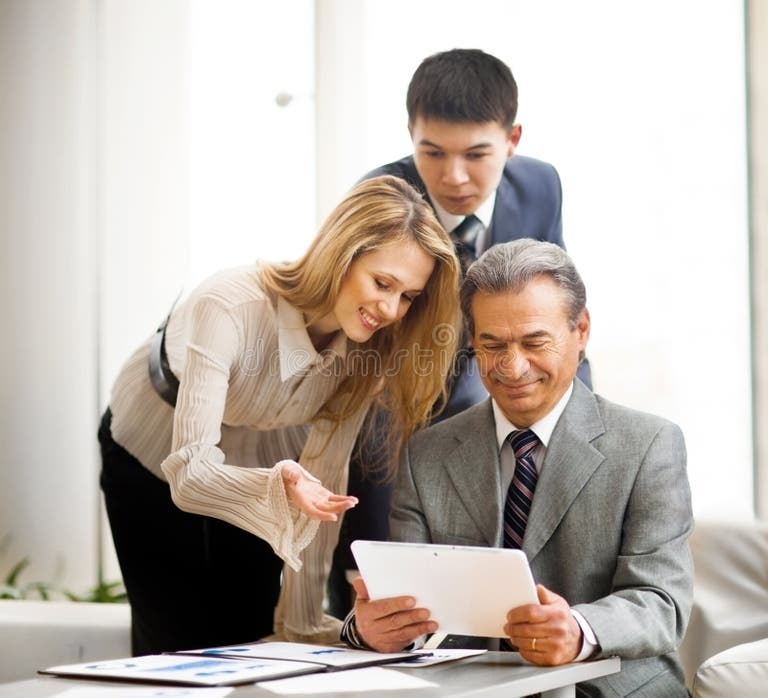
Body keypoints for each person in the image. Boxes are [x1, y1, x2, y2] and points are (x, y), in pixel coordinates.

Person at [98, 174, 462, 656]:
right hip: (153, 452)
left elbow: (324, 490)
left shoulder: (368, 349)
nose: (391, 309)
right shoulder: (229, 305)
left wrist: (305, 623)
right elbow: (189, 474)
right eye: (382, 283)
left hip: (265, 460)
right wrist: (278, 487)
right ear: (341, 253)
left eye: (408, 296)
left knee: (253, 631)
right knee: (172, 642)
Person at [343, 239, 694, 697]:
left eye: (535, 342)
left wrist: (580, 629)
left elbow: (661, 602)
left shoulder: (649, 445)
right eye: (492, 344)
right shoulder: (426, 454)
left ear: (581, 331)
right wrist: (369, 628)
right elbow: (402, 599)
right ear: (473, 342)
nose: (512, 366)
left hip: (607, 689)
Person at [329, 47, 591, 618]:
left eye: (477, 154)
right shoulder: (379, 198)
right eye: (432, 152)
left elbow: (558, 309)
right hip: (388, 401)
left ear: (512, 138)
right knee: (388, 583)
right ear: (410, 135)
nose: (453, 177)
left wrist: (586, 423)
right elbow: (357, 350)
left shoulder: (540, 186)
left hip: (488, 385)